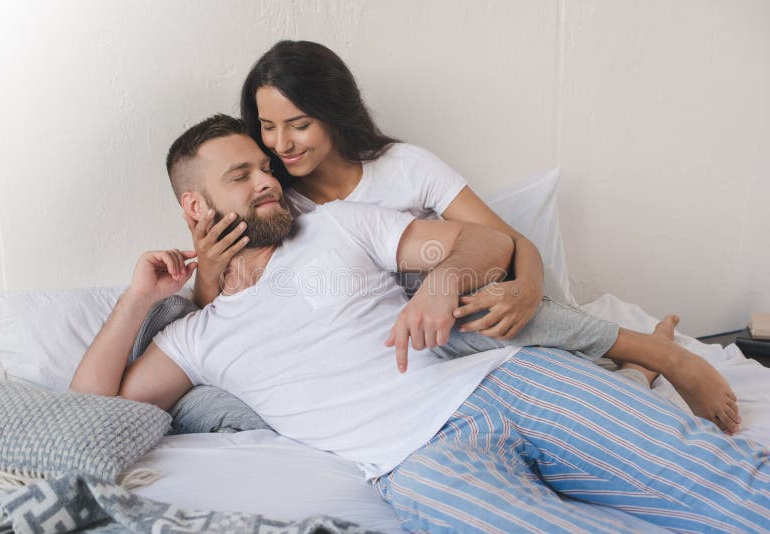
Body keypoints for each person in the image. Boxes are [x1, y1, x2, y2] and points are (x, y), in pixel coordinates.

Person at [71, 116, 770, 533]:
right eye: (240, 176)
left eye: (265, 167)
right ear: (194, 208)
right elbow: (95, 410)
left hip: (507, 383)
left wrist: (441, 282)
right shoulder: (195, 336)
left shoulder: (338, 227)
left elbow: (487, 245)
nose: (267, 181)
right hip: (417, 466)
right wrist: (138, 299)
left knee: (726, 487)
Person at [184, 40, 739, 432]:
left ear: (333, 115)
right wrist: (208, 269)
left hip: (461, 303)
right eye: (266, 125)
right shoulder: (269, 195)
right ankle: (641, 368)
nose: (281, 143)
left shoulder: (403, 166)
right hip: (378, 347)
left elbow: (508, 241)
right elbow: (233, 314)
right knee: (596, 399)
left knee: (451, 294)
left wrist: (524, 289)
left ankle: (664, 357)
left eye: (299, 123)